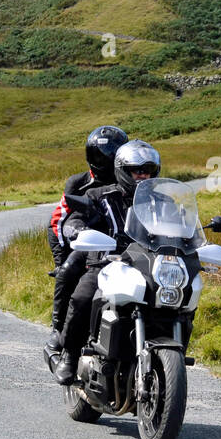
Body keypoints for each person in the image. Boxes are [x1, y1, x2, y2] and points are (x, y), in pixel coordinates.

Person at [50, 140, 161, 385]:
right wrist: (77, 230)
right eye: (136, 170)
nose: (142, 175)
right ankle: (69, 354)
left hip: (149, 264)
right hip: (107, 263)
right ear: (123, 170)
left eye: (147, 170)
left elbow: (181, 226)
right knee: (82, 298)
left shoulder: (161, 201)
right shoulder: (99, 195)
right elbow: (73, 219)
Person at [43, 126, 127, 359]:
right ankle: (58, 329)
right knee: (68, 271)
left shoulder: (130, 180)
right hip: (89, 242)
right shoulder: (78, 183)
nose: (104, 159)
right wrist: (60, 259)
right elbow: (57, 222)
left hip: (126, 244)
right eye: (98, 154)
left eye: (111, 154)